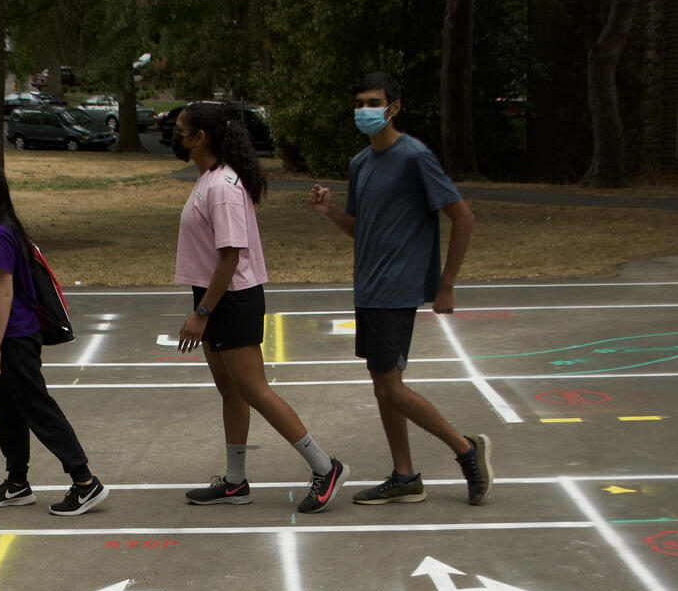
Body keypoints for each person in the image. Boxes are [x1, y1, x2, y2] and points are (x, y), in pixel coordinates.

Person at [307, 72, 493, 506]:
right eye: (359, 103)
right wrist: (331, 211)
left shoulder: (415, 157)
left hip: (398, 288)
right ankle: (405, 475)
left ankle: (466, 449)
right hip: (369, 288)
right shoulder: (360, 164)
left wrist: (446, 284)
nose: (365, 111)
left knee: (390, 388)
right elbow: (362, 230)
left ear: (394, 107)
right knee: (383, 386)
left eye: (374, 103)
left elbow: (462, 216)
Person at [172, 102, 347, 512]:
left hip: (231, 298)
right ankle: (235, 483)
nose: (174, 137)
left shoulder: (223, 187)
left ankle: (325, 467)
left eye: (180, 131)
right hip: (214, 294)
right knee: (230, 389)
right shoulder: (209, 179)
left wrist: (202, 314)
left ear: (200, 138)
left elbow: (231, 256)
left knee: (254, 389)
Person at [0, 165, 109, 515]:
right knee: (6, 411)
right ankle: (17, 483)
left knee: (37, 408)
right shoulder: (1, 229)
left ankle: (85, 482)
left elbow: (5, 294)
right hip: (15, 335)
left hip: (15, 337)